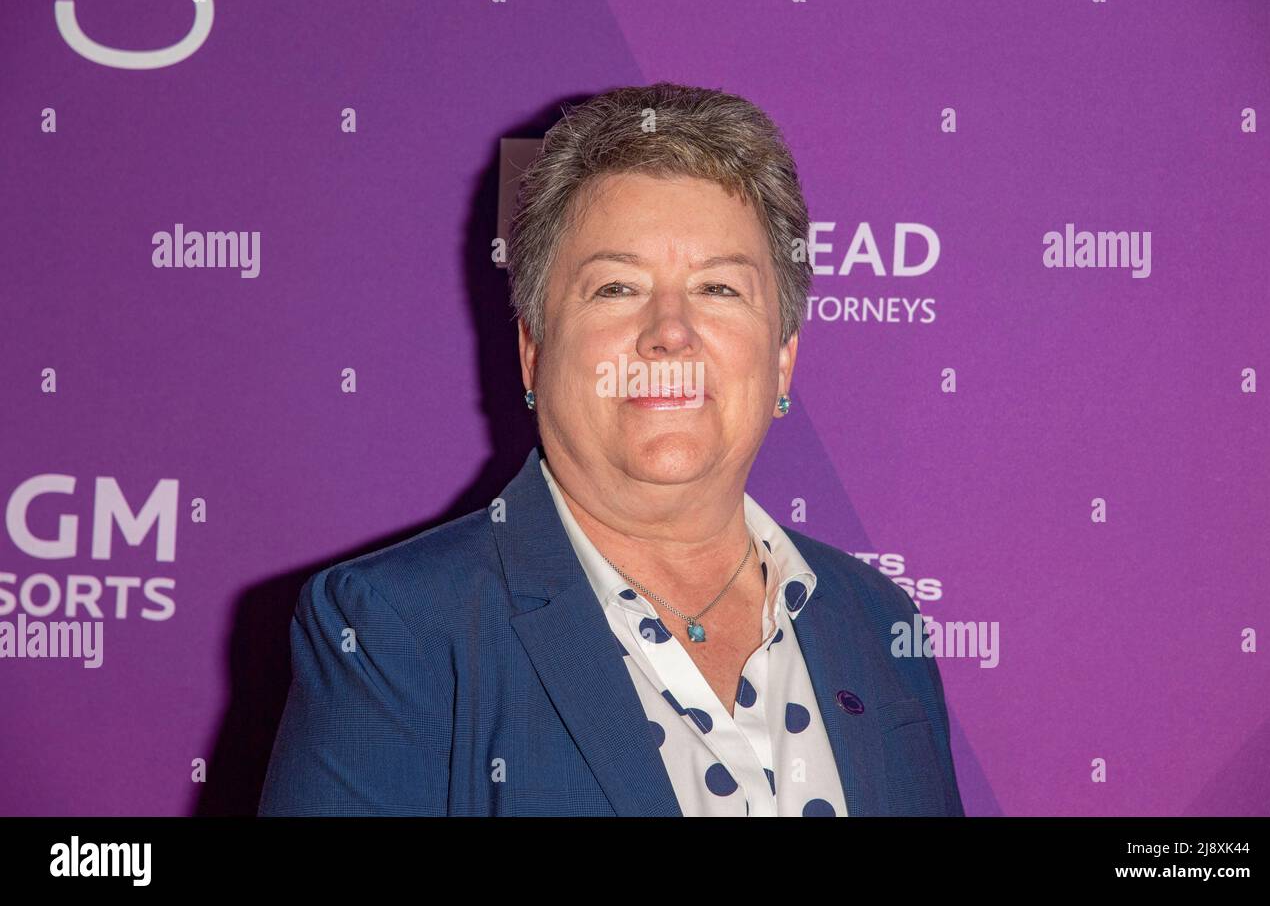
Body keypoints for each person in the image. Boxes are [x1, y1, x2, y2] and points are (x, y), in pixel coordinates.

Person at [258, 81, 963, 816]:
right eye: (616, 288)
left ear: (782, 357)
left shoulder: (876, 622)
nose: (670, 331)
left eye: (719, 288)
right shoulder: (396, 631)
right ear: (533, 351)